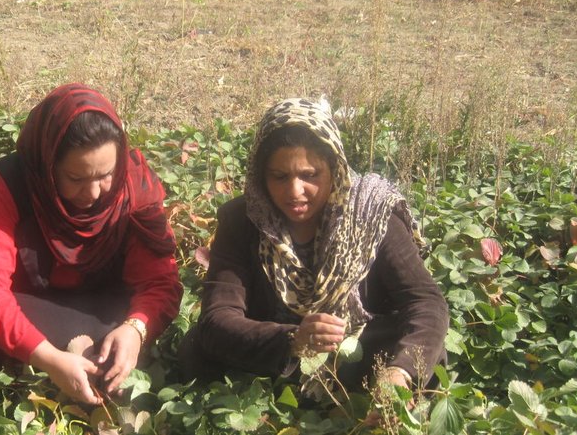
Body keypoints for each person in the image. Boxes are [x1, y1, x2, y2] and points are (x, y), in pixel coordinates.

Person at [180, 98, 448, 395]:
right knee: (197, 347)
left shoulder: (371, 212)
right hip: (281, 353)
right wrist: (292, 339)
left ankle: (384, 392)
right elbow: (218, 317)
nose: (295, 192)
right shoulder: (243, 220)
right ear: (261, 175)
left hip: (357, 346)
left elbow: (425, 302)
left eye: (310, 175)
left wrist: (400, 371)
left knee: (419, 355)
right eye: (279, 177)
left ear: (334, 168)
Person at [0, 83, 183, 405]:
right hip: (28, 307)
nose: (96, 193)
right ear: (48, 164)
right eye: (77, 179)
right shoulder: (8, 185)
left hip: (109, 312)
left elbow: (159, 279)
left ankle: (84, 361)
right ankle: (73, 365)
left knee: (119, 341)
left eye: (105, 174)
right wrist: (46, 357)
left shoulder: (133, 185)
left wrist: (135, 329)